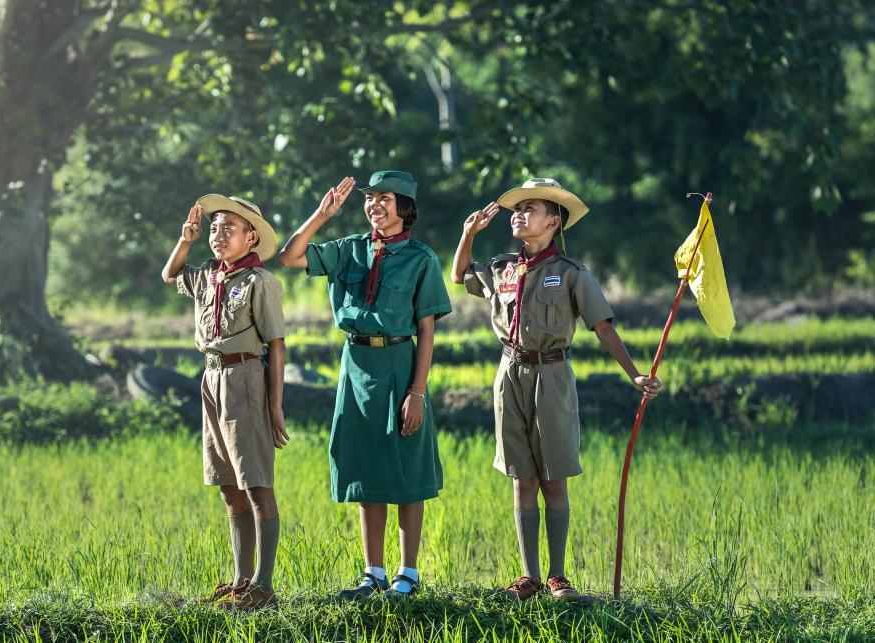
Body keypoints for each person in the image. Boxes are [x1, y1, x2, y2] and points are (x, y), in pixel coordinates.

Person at [450, 178, 662, 600]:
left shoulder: (570, 274)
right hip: (509, 373)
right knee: (521, 477)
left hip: (552, 375)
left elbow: (603, 326)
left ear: (553, 222)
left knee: (554, 478)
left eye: (530, 209)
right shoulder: (501, 268)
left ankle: (557, 575)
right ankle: (528, 576)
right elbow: (459, 276)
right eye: (517, 208)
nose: (519, 215)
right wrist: (467, 235)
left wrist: (634, 374)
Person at [277, 171, 451, 600]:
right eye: (370, 199)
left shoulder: (421, 259)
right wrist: (322, 214)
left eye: (384, 198)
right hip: (355, 366)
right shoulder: (350, 250)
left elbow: (426, 330)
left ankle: (407, 574)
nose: (374, 205)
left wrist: (417, 391)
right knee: (364, 467)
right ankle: (372, 572)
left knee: (407, 466)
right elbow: (290, 256)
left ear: (405, 207)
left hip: (399, 362)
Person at [161, 193, 289, 610]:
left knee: (256, 485)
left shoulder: (260, 282)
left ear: (251, 237)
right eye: (214, 228)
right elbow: (170, 273)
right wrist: (187, 238)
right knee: (227, 486)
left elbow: (276, 345)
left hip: (246, 377)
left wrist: (274, 406)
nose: (218, 235)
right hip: (211, 378)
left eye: (228, 228)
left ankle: (263, 585)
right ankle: (240, 578)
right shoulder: (208, 276)